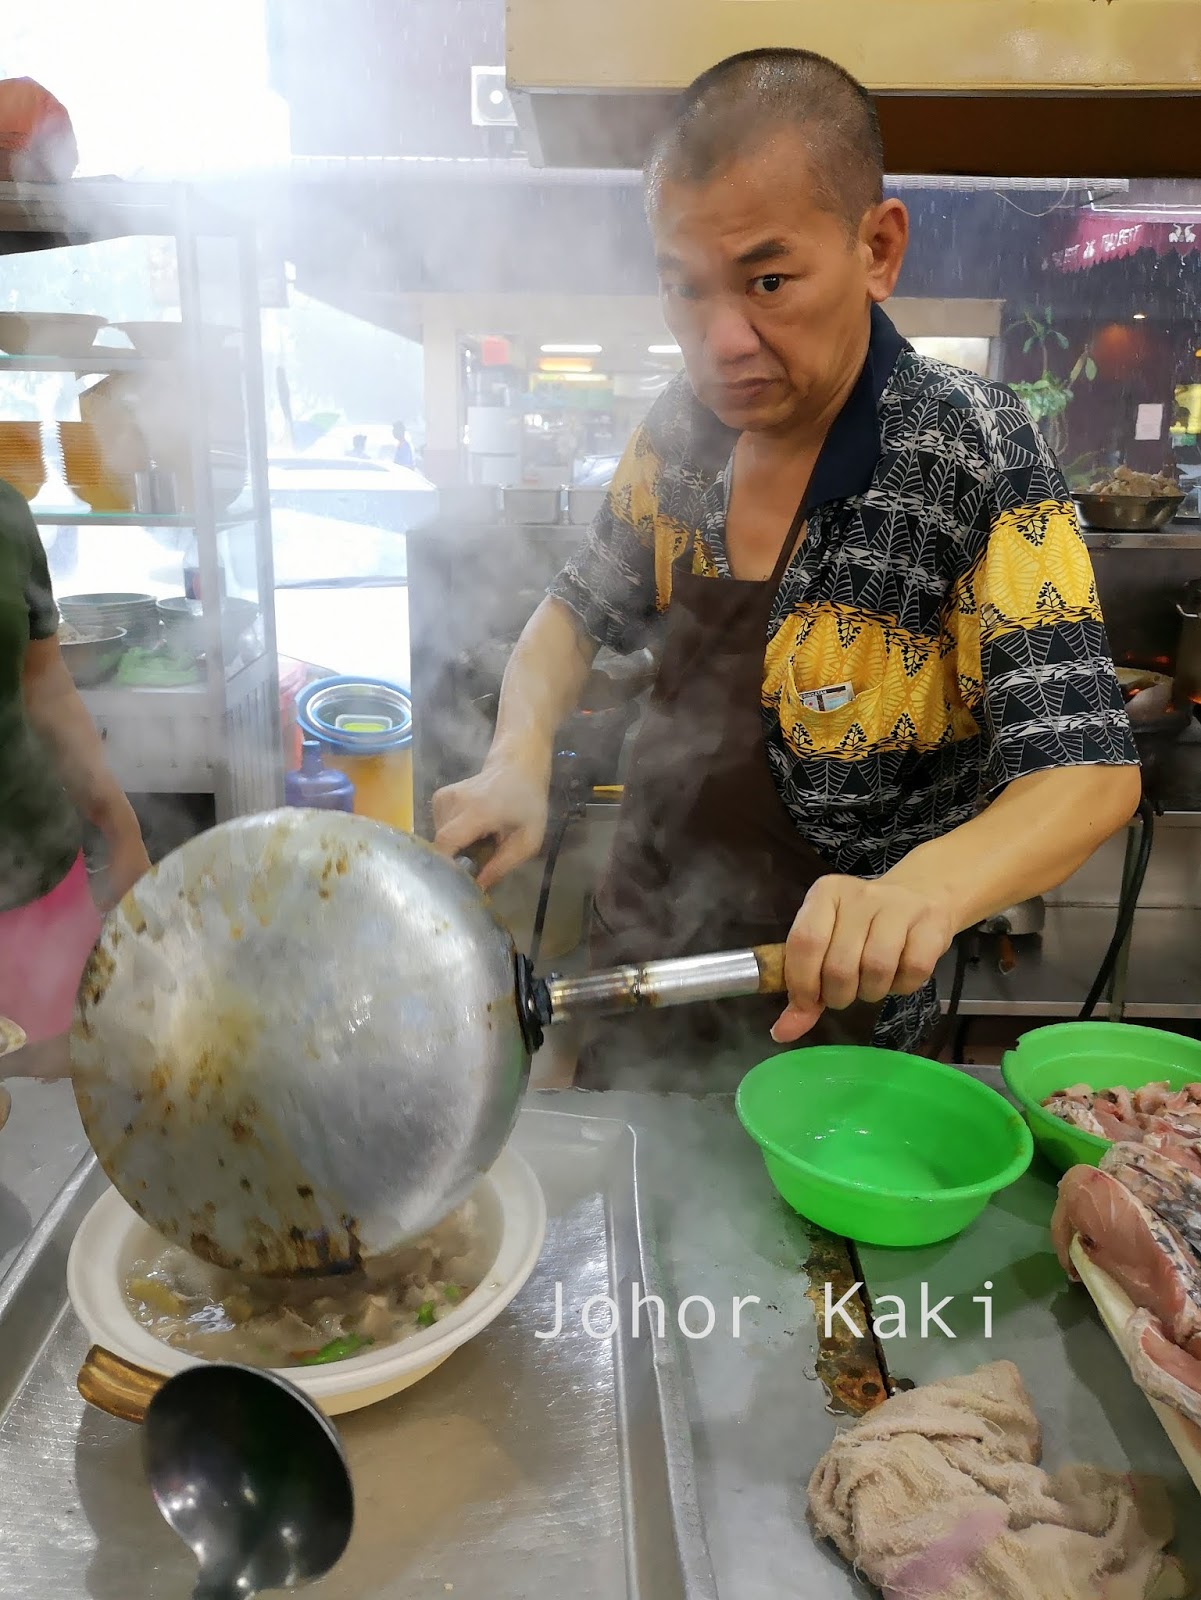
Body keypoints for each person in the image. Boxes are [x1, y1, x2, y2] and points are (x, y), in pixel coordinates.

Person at [432, 49, 1141, 1085]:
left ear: (875, 248)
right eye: (685, 289)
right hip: (635, 962)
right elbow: (572, 613)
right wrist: (515, 757)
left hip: (837, 1025)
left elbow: (1087, 773)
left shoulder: (969, 452)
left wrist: (925, 888)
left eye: (767, 280)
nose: (720, 340)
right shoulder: (676, 435)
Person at [0, 478, 149, 1112]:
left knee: (69, 1098)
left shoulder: (4, 511)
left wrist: (122, 828)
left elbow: (44, 686)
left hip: (34, 870)